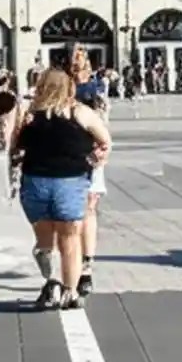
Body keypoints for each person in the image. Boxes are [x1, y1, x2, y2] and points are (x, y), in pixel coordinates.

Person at [10, 69, 111, 310]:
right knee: (70, 240)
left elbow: (15, 149)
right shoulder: (80, 112)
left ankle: (52, 282)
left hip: (36, 181)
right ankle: (71, 291)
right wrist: (94, 161)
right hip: (71, 181)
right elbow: (105, 141)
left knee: (44, 243)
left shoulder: (30, 115)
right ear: (70, 87)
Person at [68, 45, 107, 297]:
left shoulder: (95, 88)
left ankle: (86, 266)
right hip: (70, 151)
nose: (78, 61)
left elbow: (102, 118)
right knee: (75, 211)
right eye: (75, 57)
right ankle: (75, 264)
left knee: (89, 206)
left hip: (91, 149)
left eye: (81, 57)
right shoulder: (64, 86)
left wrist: (103, 149)